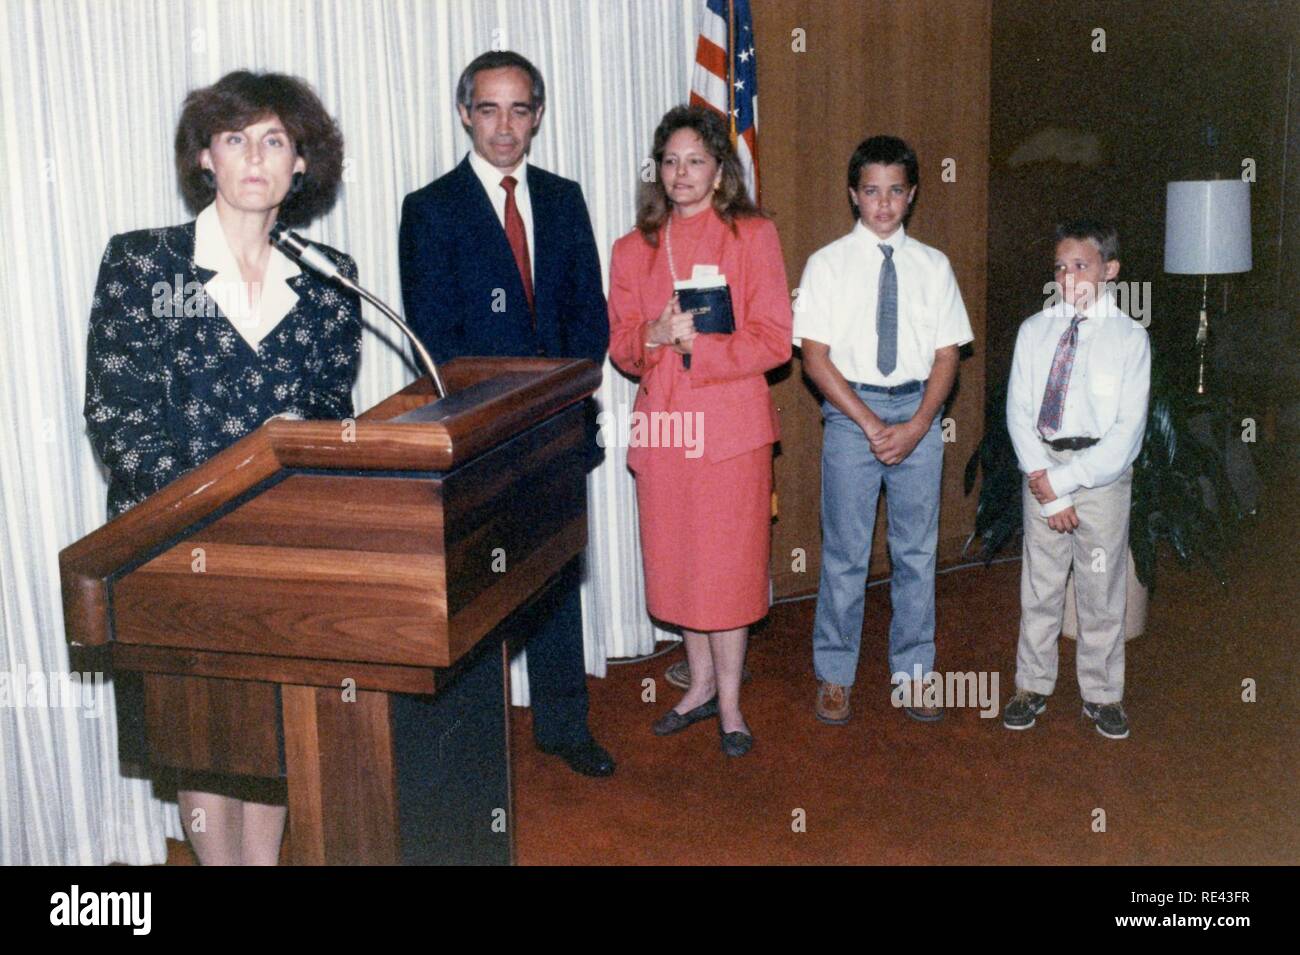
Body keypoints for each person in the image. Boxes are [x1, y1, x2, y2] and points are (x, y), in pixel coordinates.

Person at [83, 71, 360, 863]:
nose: (254, 156)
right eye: (235, 138)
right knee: (203, 735)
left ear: (301, 163)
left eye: (275, 140)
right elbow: (118, 414)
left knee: (271, 735)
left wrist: (301, 443)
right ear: (206, 156)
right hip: (180, 546)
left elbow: (332, 411)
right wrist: (218, 490)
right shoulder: (144, 264)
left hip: (285, 550)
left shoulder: (330, 276)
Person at [398, 51, 614, 777]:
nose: (504, 126)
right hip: (481, 443)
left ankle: (563, 723)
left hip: (558, 432)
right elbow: (437, 340)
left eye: (519, 109)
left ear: (538, 116)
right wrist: (500, 416)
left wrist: (556, 402)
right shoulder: (429, 209)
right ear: (465, 112)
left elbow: (591, 320)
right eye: (488, 108)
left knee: (555, 575)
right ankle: (476, 746)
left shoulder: (563, 197)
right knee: (480, 589)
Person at [607, 104, 792, 758]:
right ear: (657, 170)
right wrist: (653, 336)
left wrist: (699, 351)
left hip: (732, 431)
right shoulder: (632, 249)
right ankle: (700, 685)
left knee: (729, 570)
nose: (681, 173)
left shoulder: (751, 235)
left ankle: (733, 703)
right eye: (670, 161)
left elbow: (775, 340)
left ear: (719, 172)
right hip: (665, 430)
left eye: (695, 161)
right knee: (681, 562)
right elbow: (622, 349)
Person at [795, 135, 973, 726]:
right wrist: (871, 424)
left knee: (916, 550)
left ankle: (915, 674)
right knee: (846, 552)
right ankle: (835, 674)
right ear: (853, 194)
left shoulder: (933, 266)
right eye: (871, 191)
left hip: (919, 414)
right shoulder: (826, 264)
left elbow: (947, 355)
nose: (884, 203)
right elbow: (815, 357)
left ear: (912, 195)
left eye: (896, 191)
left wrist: (920, 424)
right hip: (853, 417)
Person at [1003, 219, 1150, 739]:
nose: (1068, 278)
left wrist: (1065, 484)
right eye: (1061, 267)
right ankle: (1032, 685)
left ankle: (1102, 694)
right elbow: (1019, 413)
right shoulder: (1035, 331)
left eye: (1081, 266)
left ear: (1110, 270)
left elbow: (1126, 434)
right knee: (1039, 585)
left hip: (1100, 480)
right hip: (1041, 466)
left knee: (1101, 590)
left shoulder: (1130, 340)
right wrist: (1044, 480)